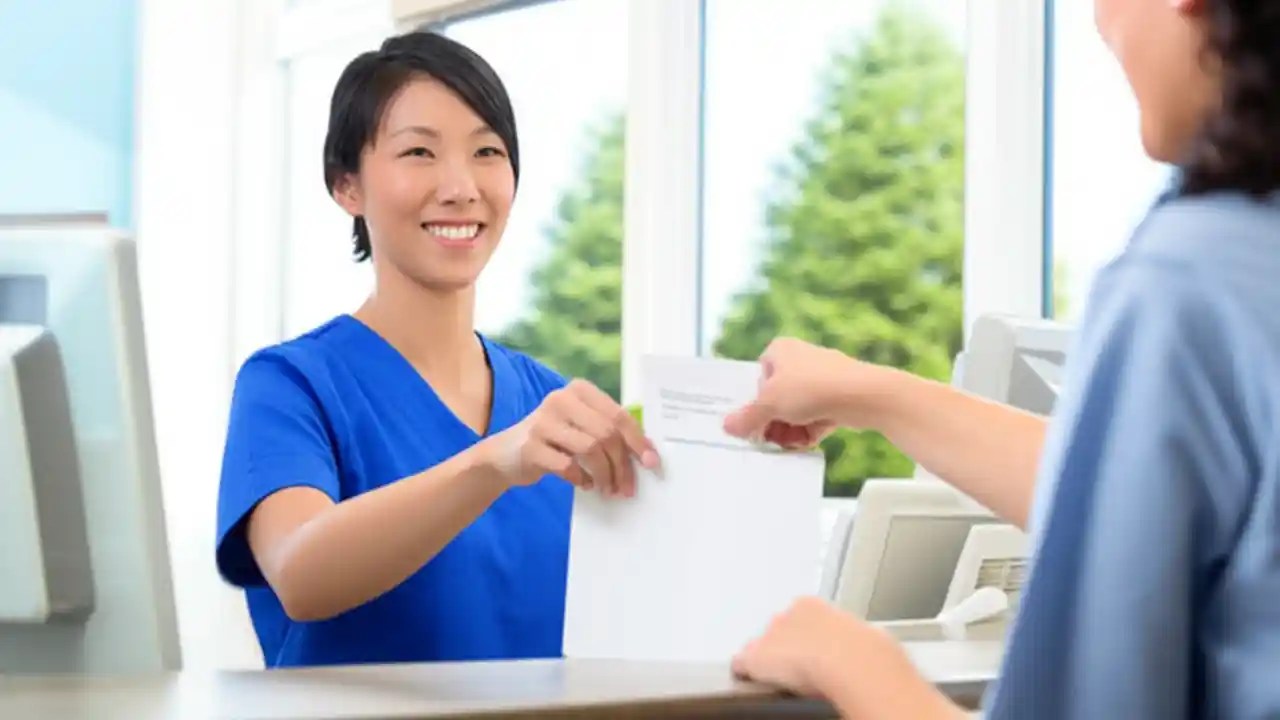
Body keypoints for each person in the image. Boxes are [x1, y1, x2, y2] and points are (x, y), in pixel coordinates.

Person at [725, 0, 1280, 717]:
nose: (1097, 17)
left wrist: (859, 668)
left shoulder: (1187, 279)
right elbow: (1173, 499)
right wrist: (872, 394)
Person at [215, 31, 659, 668]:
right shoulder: (291, 385)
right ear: (348, 186)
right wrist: (493, 462)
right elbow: (300, 572)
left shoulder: (553, 407)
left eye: (487, 151)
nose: (460, 186)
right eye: (419, 152)